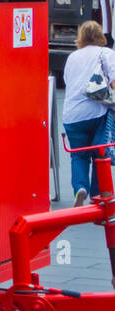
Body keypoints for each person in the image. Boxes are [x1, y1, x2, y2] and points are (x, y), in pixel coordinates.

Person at [62, 20, 115, 206]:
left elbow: (68, 83)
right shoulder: (106, 53)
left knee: (78, 155)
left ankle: (80, 188)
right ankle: (97, 195)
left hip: (72, 115)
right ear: (100, 35)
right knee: (101, 154)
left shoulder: (72, 57)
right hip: (96, 112)